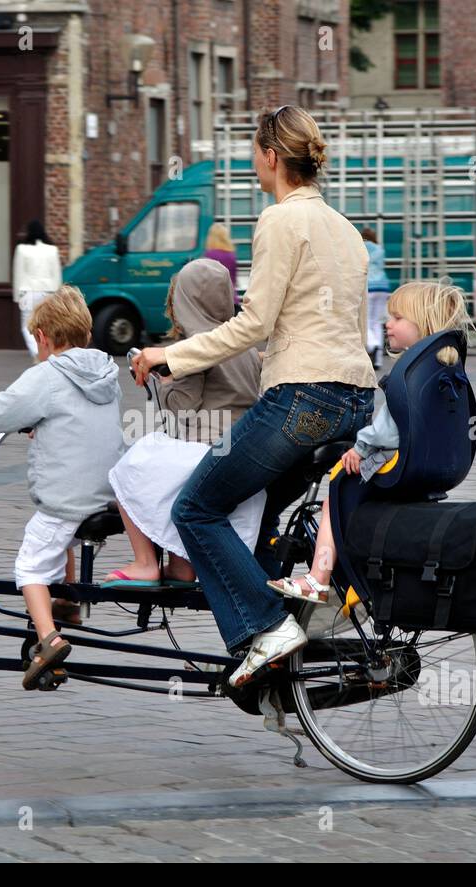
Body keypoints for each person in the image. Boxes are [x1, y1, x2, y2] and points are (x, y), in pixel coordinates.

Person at [130, 104, 376, 689]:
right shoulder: (345, 228)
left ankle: (266, 628)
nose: (252, 166)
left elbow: (255, 322)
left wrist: (170, 355)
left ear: (271, 155)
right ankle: (277, 646)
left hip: (302, 400)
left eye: (254, 155)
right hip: (357, 399)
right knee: (261, 508)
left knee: (196, 507)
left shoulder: (279, 220)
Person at [0, 286, 123, 689]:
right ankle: (68, 604)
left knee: (30, 565)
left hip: (69, 498)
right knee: (63, 536)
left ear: (42, 337)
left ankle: (49, 639)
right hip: (107, 496)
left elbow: (3, 407)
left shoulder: (46, 376)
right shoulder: (106, 372)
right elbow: (77, 421)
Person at [269, 279, 470, 603]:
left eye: (397, 318)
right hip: (433, 468)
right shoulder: (447, 368)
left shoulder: (412, 372)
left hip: (396, 461)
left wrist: (360, 449)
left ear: (422, 324)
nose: (387, 323)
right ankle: (354, 580)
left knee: (338, 486)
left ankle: (318, 578)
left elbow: (388, 430)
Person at [103, 258, 263, 587]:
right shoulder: (244, 345)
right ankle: (181, 567)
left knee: (129, 469)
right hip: (240, 452)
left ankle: (145, 562)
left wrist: (160, 386)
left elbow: (183, 408)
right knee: (174, 483)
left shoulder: (193, 348)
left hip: (204, 448)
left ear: (185, 301)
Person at [12, 220, 62, 361]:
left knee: (27, 326)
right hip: (48, 291)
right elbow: (56, 274)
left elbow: (18, 273)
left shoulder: (22, 249)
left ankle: (37, 353)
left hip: (28, 292)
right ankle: (48, 352)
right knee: (46, 325)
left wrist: (17, 297)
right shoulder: (52, 250)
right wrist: (58, 296)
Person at [361, 227, 391, 369]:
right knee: (378, 322)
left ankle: (372, 346)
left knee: (367, 320)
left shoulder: (360, 247)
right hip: (383, 286)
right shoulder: (380, 249)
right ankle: (378, 360)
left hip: (368, 286)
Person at [202, 222, 240, 305]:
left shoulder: (209, 255)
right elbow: (234, 279)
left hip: (215, 302)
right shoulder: (231, 254)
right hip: (231, 299)